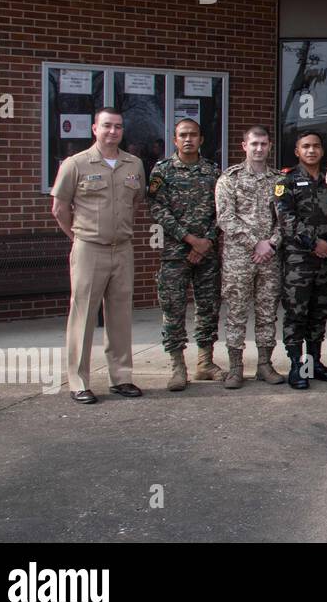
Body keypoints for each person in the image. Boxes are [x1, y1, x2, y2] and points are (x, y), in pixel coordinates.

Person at [50, 107, 146, 404]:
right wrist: (78, 237)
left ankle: (121, 377)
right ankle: (79, 381)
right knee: (83, 316)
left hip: (123, 249)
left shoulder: (134, 165)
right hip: (89, 247)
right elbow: (59, 209)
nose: (113, 132)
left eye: (118, 127)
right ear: (94, 129)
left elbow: (136, 202)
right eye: (106, 126)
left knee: (120, 316)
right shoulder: (75, 164)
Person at [147, 117, 225, 391]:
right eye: (183, 135)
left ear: (201, 139)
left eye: (193, 135)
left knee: (208, 308)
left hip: (207, 254)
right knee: (173, 310)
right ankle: (177, 366)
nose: (188, 139)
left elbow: (222, 211)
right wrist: (190, 240)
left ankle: (205, 362)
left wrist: (206, 242)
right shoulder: (162, 171)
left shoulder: (213, 172)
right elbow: (158, 209)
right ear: (175, 139)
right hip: (174, 254)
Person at [215, 125, 285, 390]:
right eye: (254, 143)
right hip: (239, 258)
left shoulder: (279, 181)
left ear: (269, 146)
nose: (259, 148)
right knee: (236, 313)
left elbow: (285, 218)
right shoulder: (229, 179)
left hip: (269, 258)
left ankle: (265, 365)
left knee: (267, 313)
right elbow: (225, 218)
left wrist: (271, 244)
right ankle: (235, 368)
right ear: (244, 145)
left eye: (263, 144)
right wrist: (255, 243)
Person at [275, 130, 327, 390]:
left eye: (316, 146)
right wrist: (314, 244)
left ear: (322, 151)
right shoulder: (287, 181)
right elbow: (285, 218)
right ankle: (295, 366)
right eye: (306, 147)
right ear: (297, 151)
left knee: (319, 313)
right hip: (298, 261)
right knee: (296, 315)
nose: (311, 151)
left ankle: (313, 364)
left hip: (325, 261)